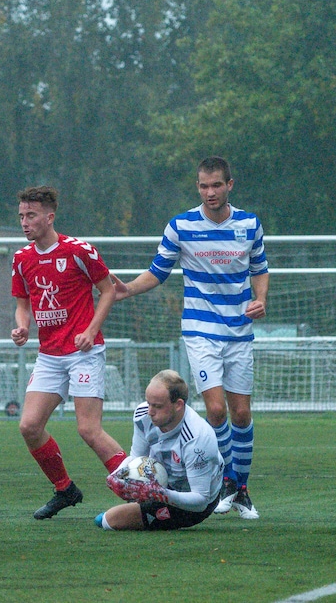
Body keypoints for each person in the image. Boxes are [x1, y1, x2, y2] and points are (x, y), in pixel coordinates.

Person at [112, 156, 267, 519]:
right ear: (198, 187)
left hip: (239, 331)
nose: (209, 192)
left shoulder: (249, 224)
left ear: (230, 185)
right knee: (216, 409)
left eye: (216, 185)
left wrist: (260, 299)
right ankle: (224, 481)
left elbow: (260, 268)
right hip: (201, 330)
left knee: (241, 414)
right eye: (203, 186)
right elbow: (158, 271)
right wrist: (127, 289)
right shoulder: (181, 226)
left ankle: (239, 488)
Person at [10, 186, 126, 520]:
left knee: (88, 430)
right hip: (49, 355)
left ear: (50, 216)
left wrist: (90, 330)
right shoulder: (22, 259)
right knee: (29, 427)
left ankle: (142, 489)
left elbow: (109, 290)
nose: (25, 222)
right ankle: (65, 489)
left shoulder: (79, 251)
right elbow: (23, 303)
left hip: (83, 353)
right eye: (21, 216)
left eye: (31, 215)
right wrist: (22, 327)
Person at [98, 370, 223, 531]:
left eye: (157, 406)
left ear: (178, 405)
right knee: (107, 519)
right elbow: (137, 457)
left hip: (193, 504)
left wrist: (160, 494)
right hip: (162, 486)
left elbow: (201, 501)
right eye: (148, 403)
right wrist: (118, 474)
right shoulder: (143, 415)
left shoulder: (197, 438)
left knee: (108, 521)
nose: (150, 411)